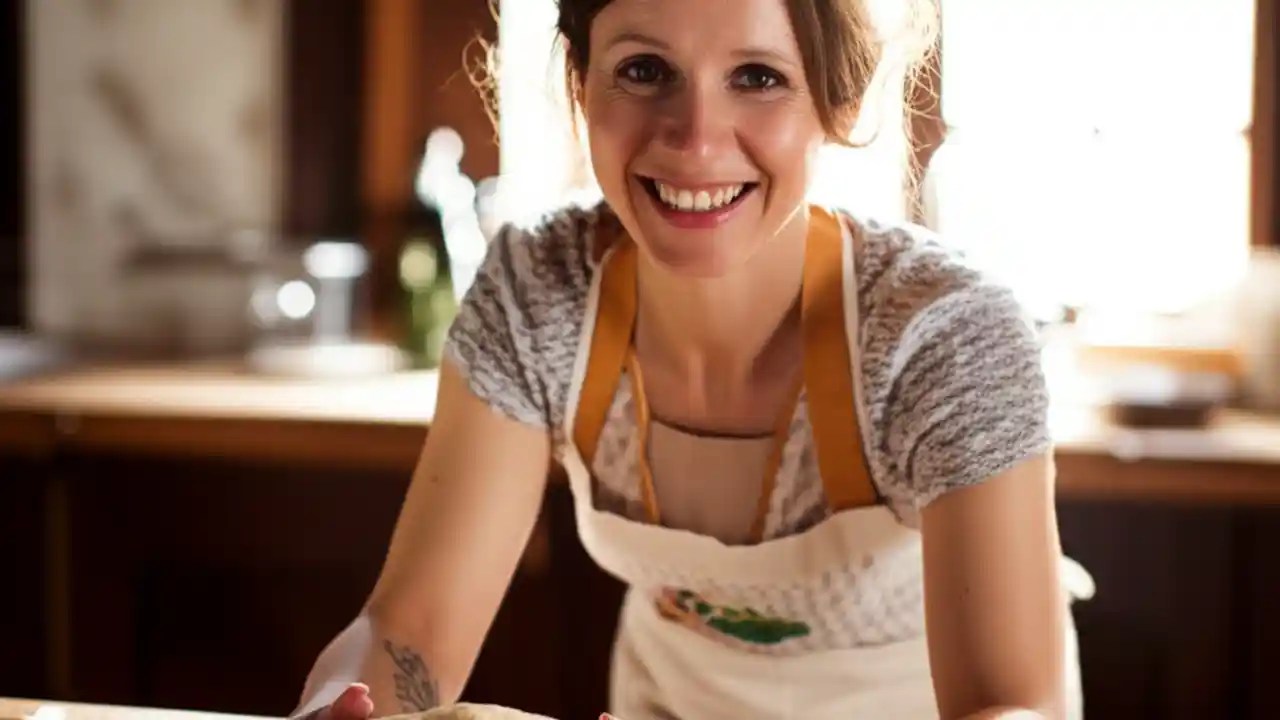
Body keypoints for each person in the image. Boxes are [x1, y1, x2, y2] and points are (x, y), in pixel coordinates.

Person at [292, 0, 1090, 718]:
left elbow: (1011, 706)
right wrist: (342, 707)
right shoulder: (537, 290)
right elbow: (408, 628)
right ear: (581, 88)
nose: (696, 138)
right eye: (644, 70)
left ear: (836, 103)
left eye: (756, 75)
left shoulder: (942, 333)